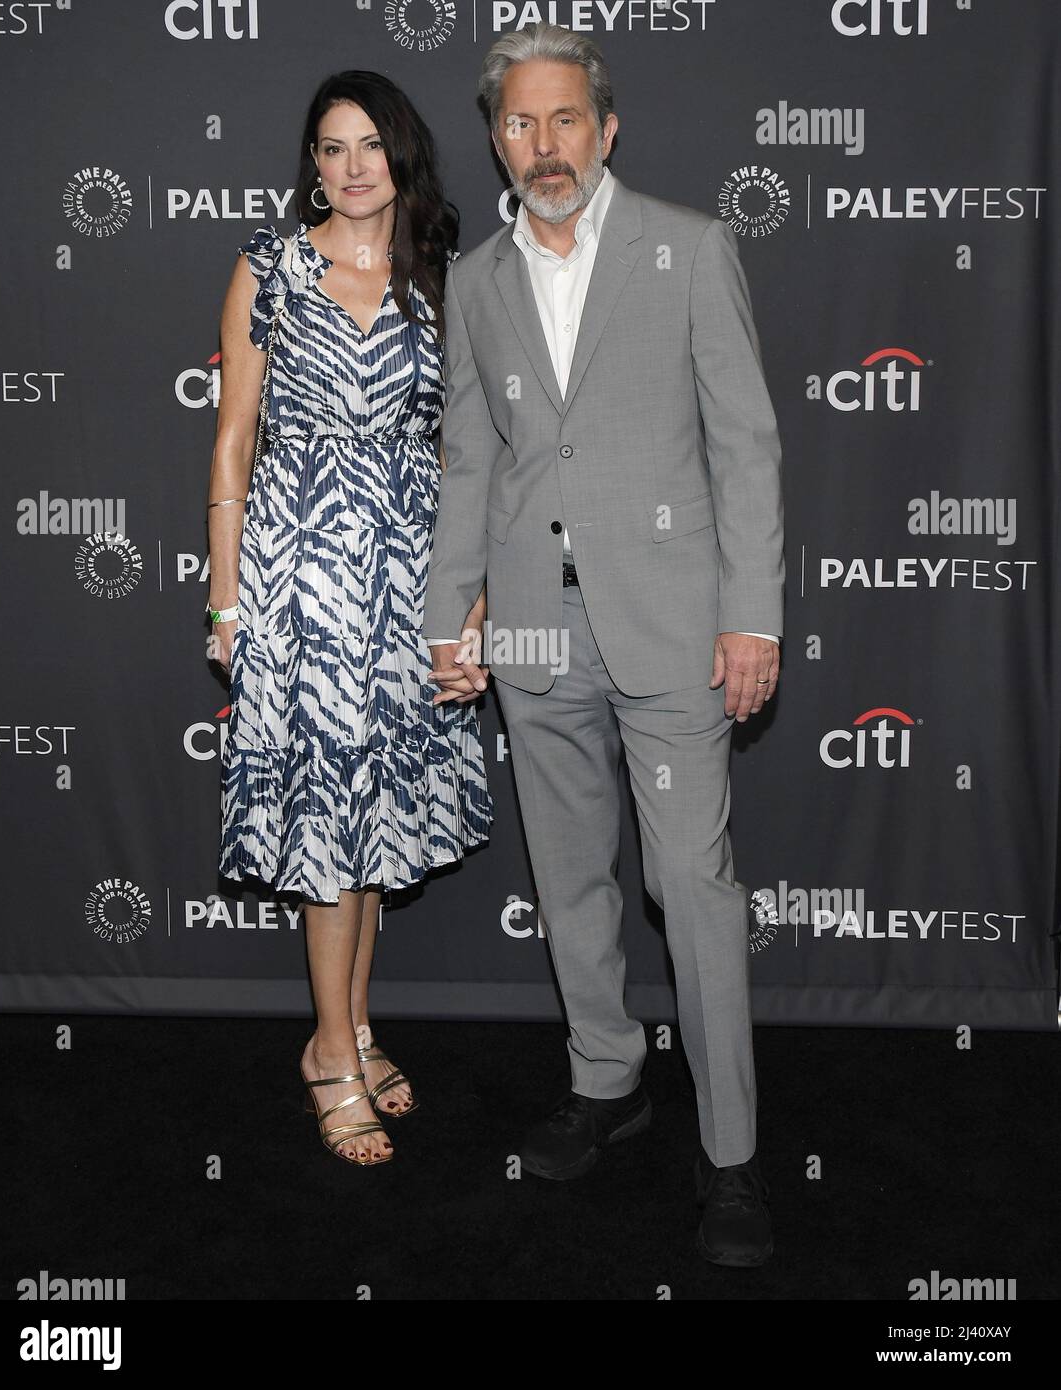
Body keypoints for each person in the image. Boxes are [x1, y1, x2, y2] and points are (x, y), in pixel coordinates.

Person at [424, 23, 784, 1264]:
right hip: (530, 624)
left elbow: (744, 443)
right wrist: (446, 613)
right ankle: (606, 1080)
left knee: (690, 890)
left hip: (674, 623)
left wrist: (751, 615)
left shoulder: (687, 248)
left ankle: (731, 1156)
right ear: (495, 139)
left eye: (564, 119)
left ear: (606, 125)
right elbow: (470, 459)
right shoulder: (473, 280)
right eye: (520, 124)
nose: (544, 144)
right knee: (569, 882)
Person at [208, 72, 493, 1167]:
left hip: (407, 576)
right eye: (331, 148)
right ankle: (329, 1049)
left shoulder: (443, 279)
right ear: (311, 164)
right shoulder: (268, 270)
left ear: (401, 154)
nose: (352, 166)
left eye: (370, 144)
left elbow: (468, 460)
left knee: (375, 814)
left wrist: (463, 604)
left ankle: (357, 1025)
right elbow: (233, 440)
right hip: (298, 574)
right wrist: (225, 594)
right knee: (328, 818)